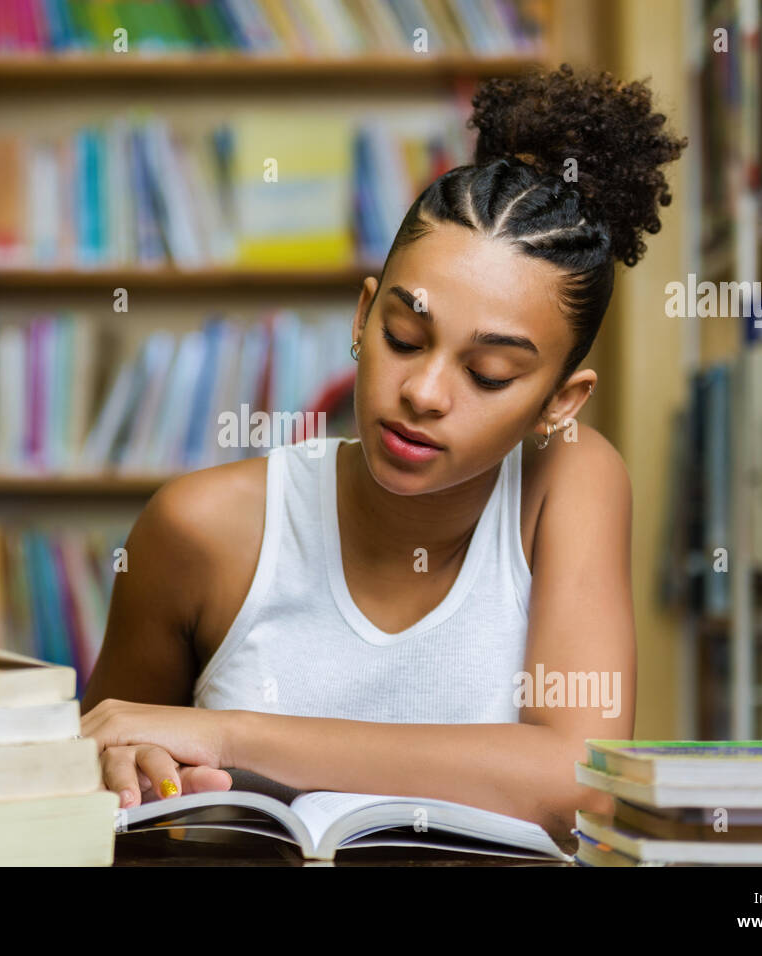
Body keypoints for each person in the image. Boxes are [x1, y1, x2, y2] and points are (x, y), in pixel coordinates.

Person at [81, 64, 687, 842]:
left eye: (489, 373)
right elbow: (101, 773)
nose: (425, 391)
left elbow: (579, 778)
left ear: (558, 405)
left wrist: (231, 733)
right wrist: (143, 774)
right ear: (364, 318)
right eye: (405, 337)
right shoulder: (196, 530)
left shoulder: (572, 478)